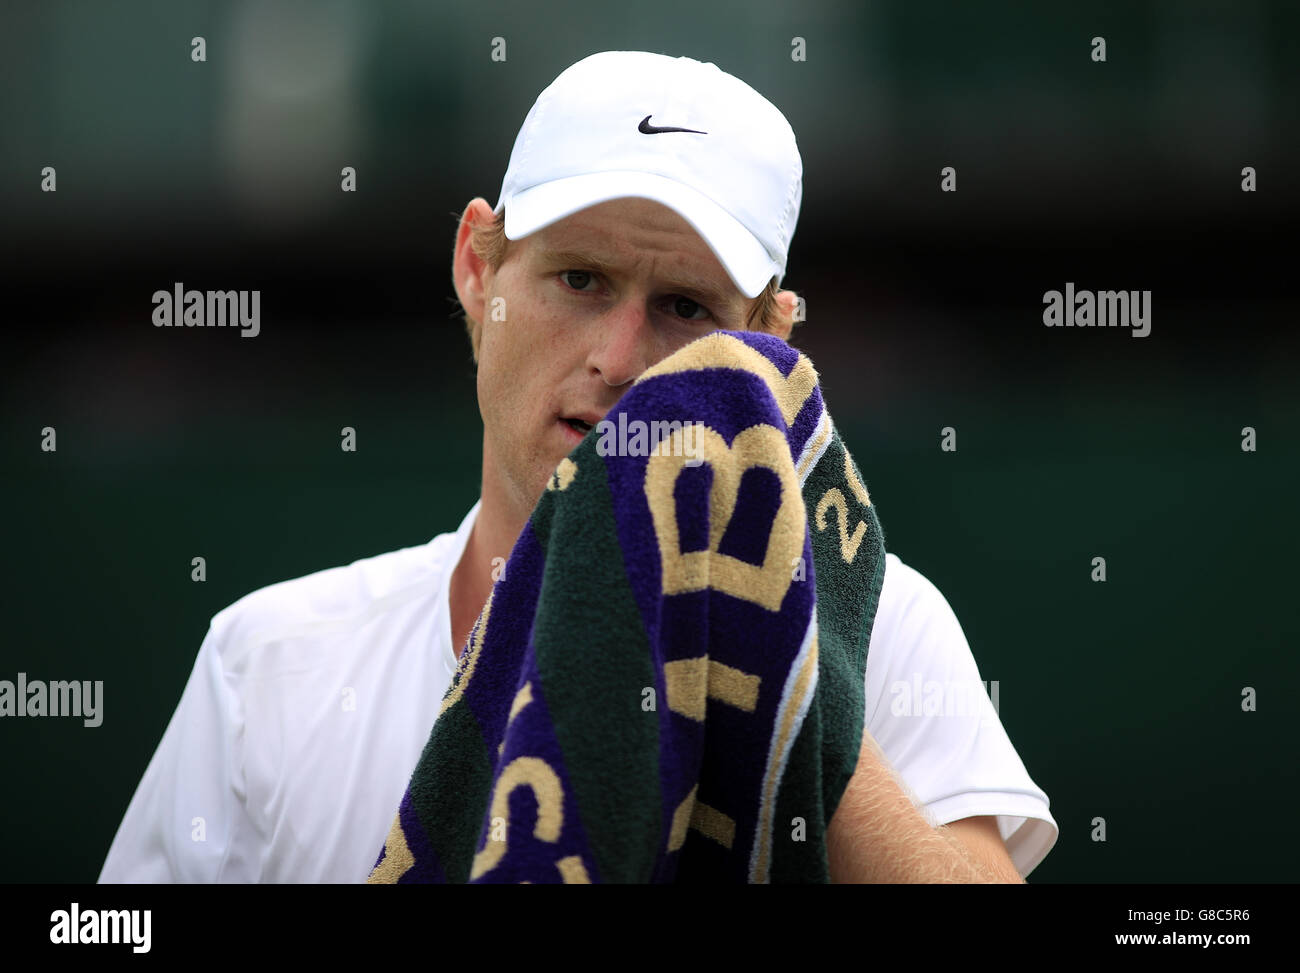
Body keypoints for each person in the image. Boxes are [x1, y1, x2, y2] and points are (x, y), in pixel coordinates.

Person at [99, 51, 1056, 884]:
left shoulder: (879, 630)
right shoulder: (266, 661)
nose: (619, 356)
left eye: (685, 305)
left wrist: (786, 680)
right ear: (479, 268)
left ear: (769, 343)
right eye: (580, 279)